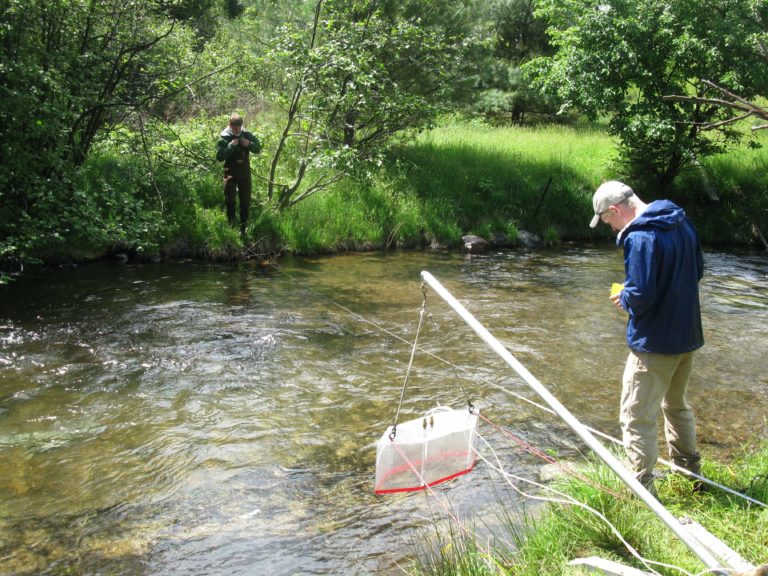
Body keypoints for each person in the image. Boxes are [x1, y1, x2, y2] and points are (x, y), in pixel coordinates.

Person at [589, 180, 705, 495]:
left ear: (615, 209)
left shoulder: (639, 236)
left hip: (655, 343)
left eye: (607, 220)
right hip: (688, 336)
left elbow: (640, 296)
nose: (611, 228)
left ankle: (643, 492)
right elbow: (697, 271)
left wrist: (624, 297)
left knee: (635, 415)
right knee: (676, 405)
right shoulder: (680, 220)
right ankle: (692, 475)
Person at [216, 113, 262, 235]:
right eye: (234, 128)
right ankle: (231, 227)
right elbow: (219, 157)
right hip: (229, 173)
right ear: (229, 125)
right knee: (230, 200)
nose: (237, 130)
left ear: (241, 125)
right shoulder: (224, 138)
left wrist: (250, 144)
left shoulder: (247, 134)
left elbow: (258, 148)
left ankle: (243, 229)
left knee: (245, 201)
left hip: (244, 172)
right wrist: (231, 146)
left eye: (239, 127)